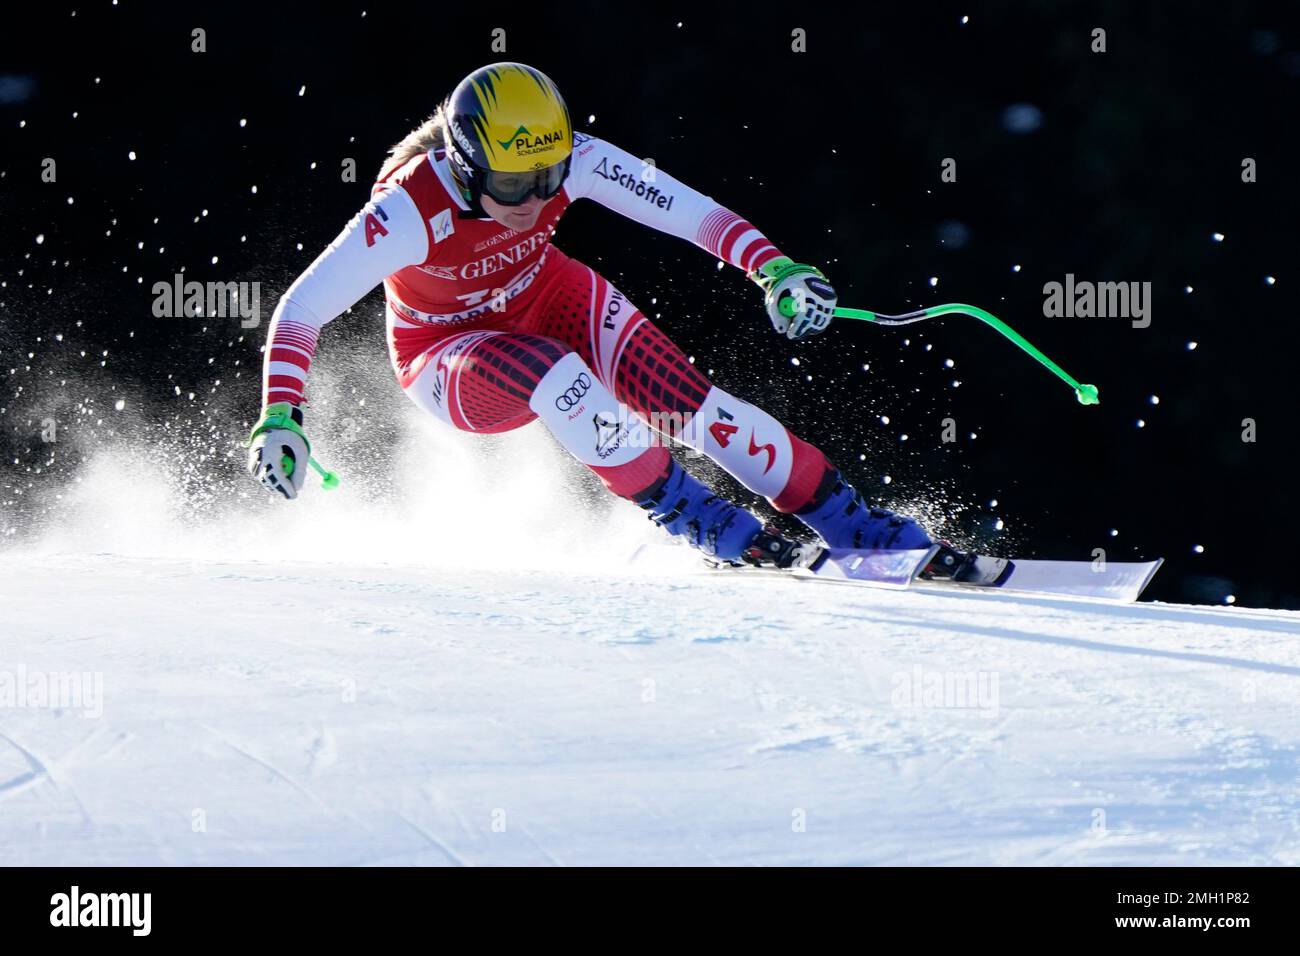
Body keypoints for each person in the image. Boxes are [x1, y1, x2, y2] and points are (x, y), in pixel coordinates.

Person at [246, 62, 932, 567]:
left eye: (549, 178)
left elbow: (690, 213)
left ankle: (846, 520)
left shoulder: (573, 159)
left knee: (689, 403)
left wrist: (773, 268)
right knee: (556, 374)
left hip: (547, 296)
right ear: (463, 166)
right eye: (515, 183)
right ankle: (695, 515)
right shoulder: (406, 210)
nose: (535, 199)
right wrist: (283, 416)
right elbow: (302, 307)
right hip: (446, 355)